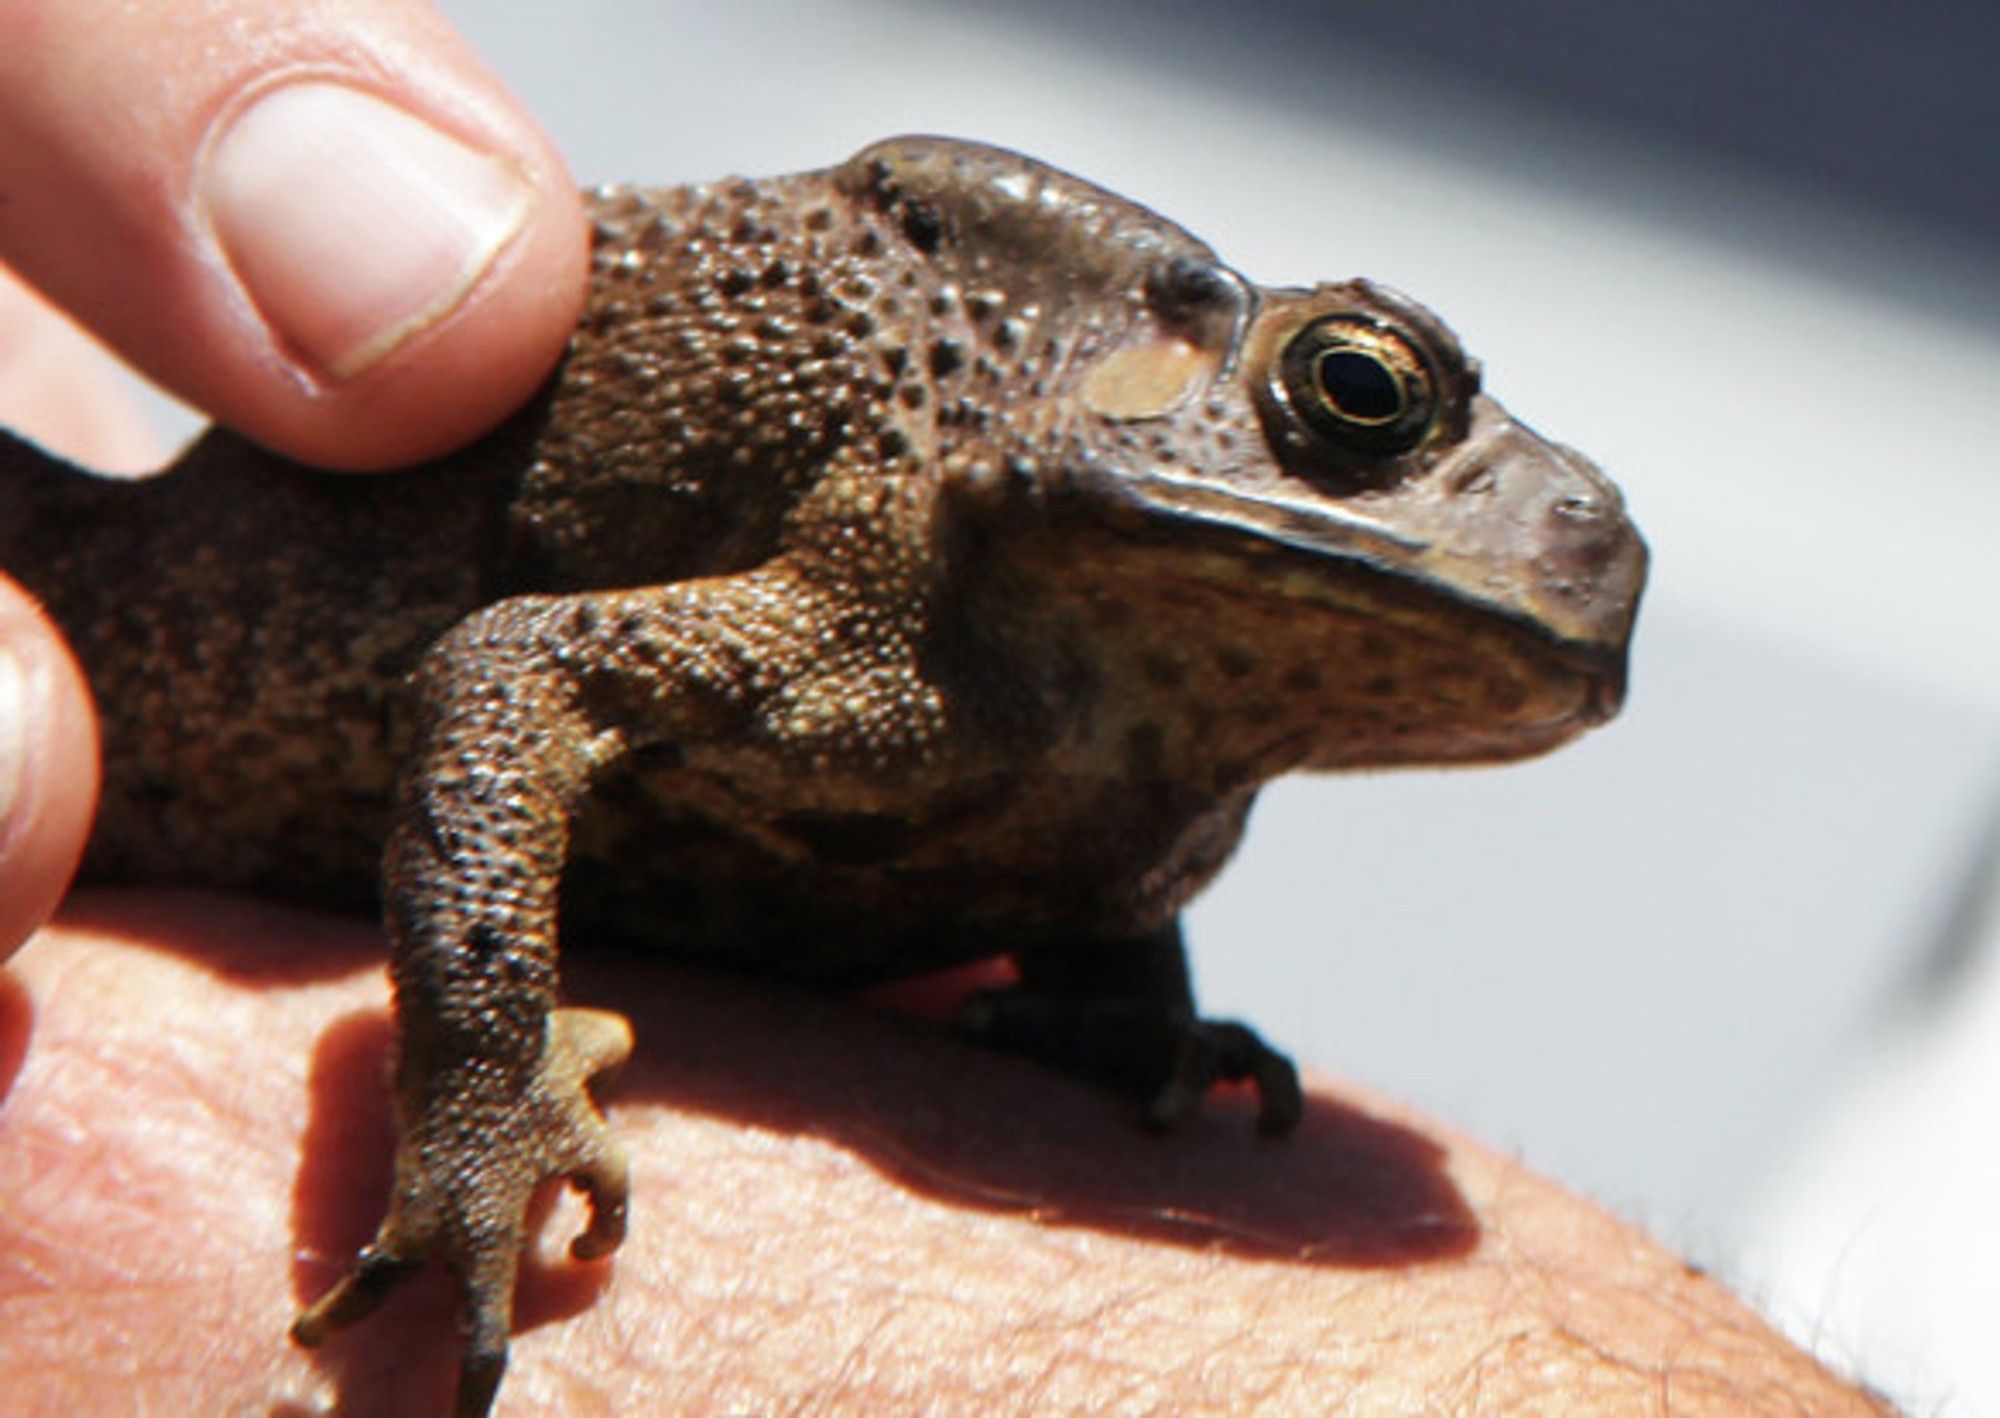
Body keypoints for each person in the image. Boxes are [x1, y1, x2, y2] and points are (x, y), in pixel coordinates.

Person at [0, 2, 1896, 1411]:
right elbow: (512, 673)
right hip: (196, 628)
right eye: (1362, 410)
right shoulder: (902, 622)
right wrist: (477, 1100)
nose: (1520, 522)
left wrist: (1113, 1038)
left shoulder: (1145, 798)